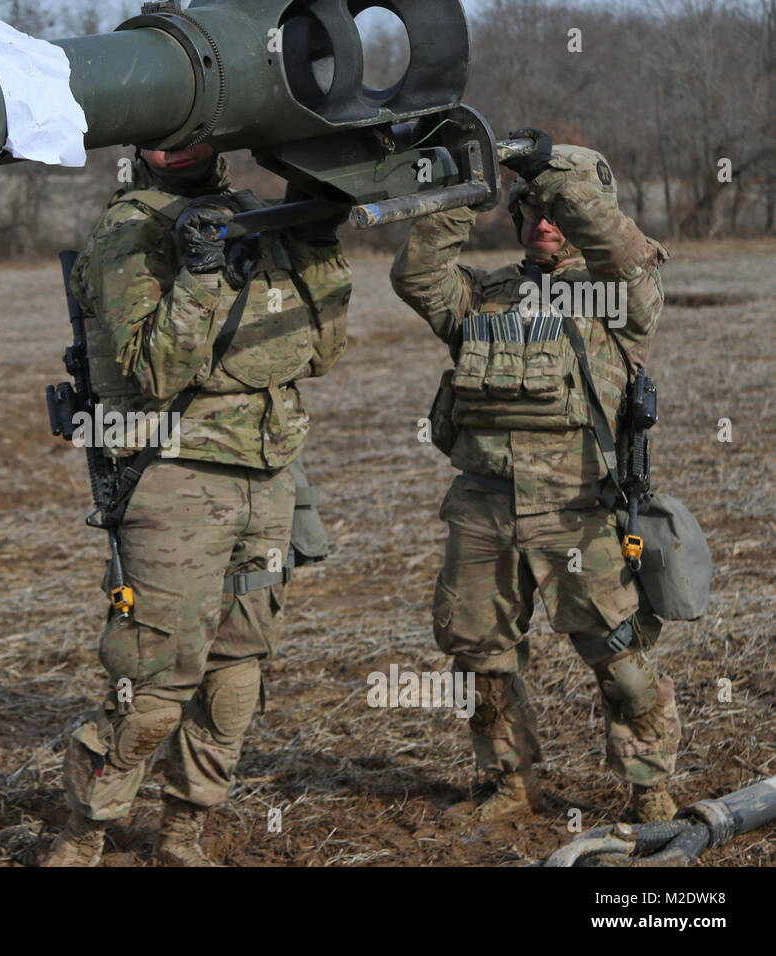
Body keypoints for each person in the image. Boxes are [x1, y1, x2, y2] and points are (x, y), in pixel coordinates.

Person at [42, 143, 351, 865]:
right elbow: (157, 368)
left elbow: (323, 351)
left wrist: (318, 245)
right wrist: (203, 273)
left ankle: (186, 830)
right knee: (153, 683)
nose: (176, 146)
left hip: (269, 471)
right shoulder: (130, 233)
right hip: (171, 477)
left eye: (191, 127)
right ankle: (82, 837)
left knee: (238, 671)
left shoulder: (257, 218)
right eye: (156, 131)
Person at [389, 131, 680, 823]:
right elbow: (417, 276)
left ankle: (650, 785)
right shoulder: (481, 298)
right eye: (530, 209)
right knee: (479, 658)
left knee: (622, 660)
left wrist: (553, 174)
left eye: (556, 211)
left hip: (581, 510)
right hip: (483, 507)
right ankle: (509, 785)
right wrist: (464, 185)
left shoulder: (620, 299)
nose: (544, 221)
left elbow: (618, 246)